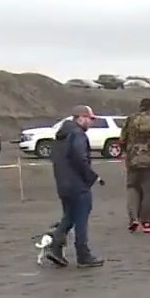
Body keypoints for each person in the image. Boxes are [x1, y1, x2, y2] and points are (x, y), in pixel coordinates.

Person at [46, 105, 104, 268]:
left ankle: (55, 247)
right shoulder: (78, 135)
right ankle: (83, 255)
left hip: (63, 184)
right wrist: (92, 177)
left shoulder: (61, 136)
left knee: (69, 217)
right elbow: (80, 159)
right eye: (89, 119)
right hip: (77, 185)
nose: (91, 122)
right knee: (81, 220)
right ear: (80, 118)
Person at [119, 97, 150, 233]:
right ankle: (146, 222)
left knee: (132, 188)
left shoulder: (130, 119)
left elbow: (122, 139)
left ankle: (133, 219)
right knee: (148, 191)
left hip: (133, 159)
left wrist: (126, 152)